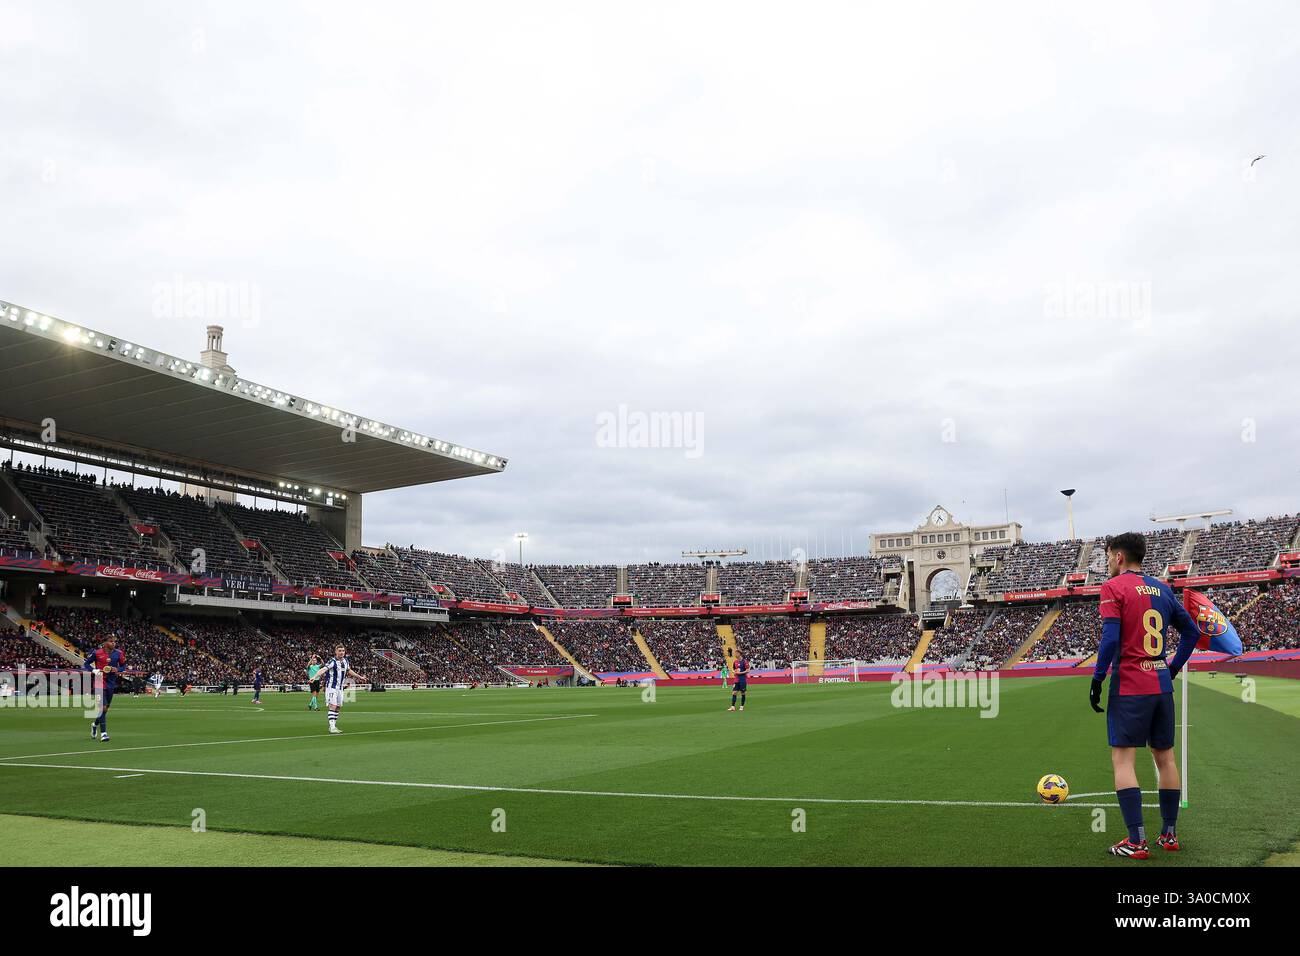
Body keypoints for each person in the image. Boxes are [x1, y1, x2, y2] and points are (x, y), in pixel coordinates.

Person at [1092, 532, 1201, 859]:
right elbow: (1192, 633)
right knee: (1164, 757)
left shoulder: (1113, 588)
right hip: (1160, 685)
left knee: (1123, 759)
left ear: (1119, 556)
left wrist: (1098, 678)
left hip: (1130, 684)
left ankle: (1135, 841)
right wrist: (1172, 669)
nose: (1108, 562)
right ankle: (1168, 835)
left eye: (1109, 556)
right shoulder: (1163, 588)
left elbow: (1110, 641)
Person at [320, 644, 369, 735]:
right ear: (336, 652)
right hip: (331, 688)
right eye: (340, 651)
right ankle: (332, 727)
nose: (342, 652)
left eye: (343, 651)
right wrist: (315, 676)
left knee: (338, 707)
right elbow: (323, 669)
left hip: (340, 688)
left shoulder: (345, 661)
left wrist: (359, 677)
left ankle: (333, 726)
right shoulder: (332, 661)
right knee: (333, 706)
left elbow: (349, 670)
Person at [83, 638, 125, 742]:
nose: (114, 643)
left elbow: (124, 666)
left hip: (111, 683)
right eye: (111, 641)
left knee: (105, 709)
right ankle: (104, 734)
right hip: (99, 682)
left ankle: (94, 724)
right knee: (103, 707)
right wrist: (94, 670)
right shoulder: (97, 653)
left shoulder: (119, 653)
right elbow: (86, 664)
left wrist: (118, 669)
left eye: (115, 641)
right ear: (106, 643)